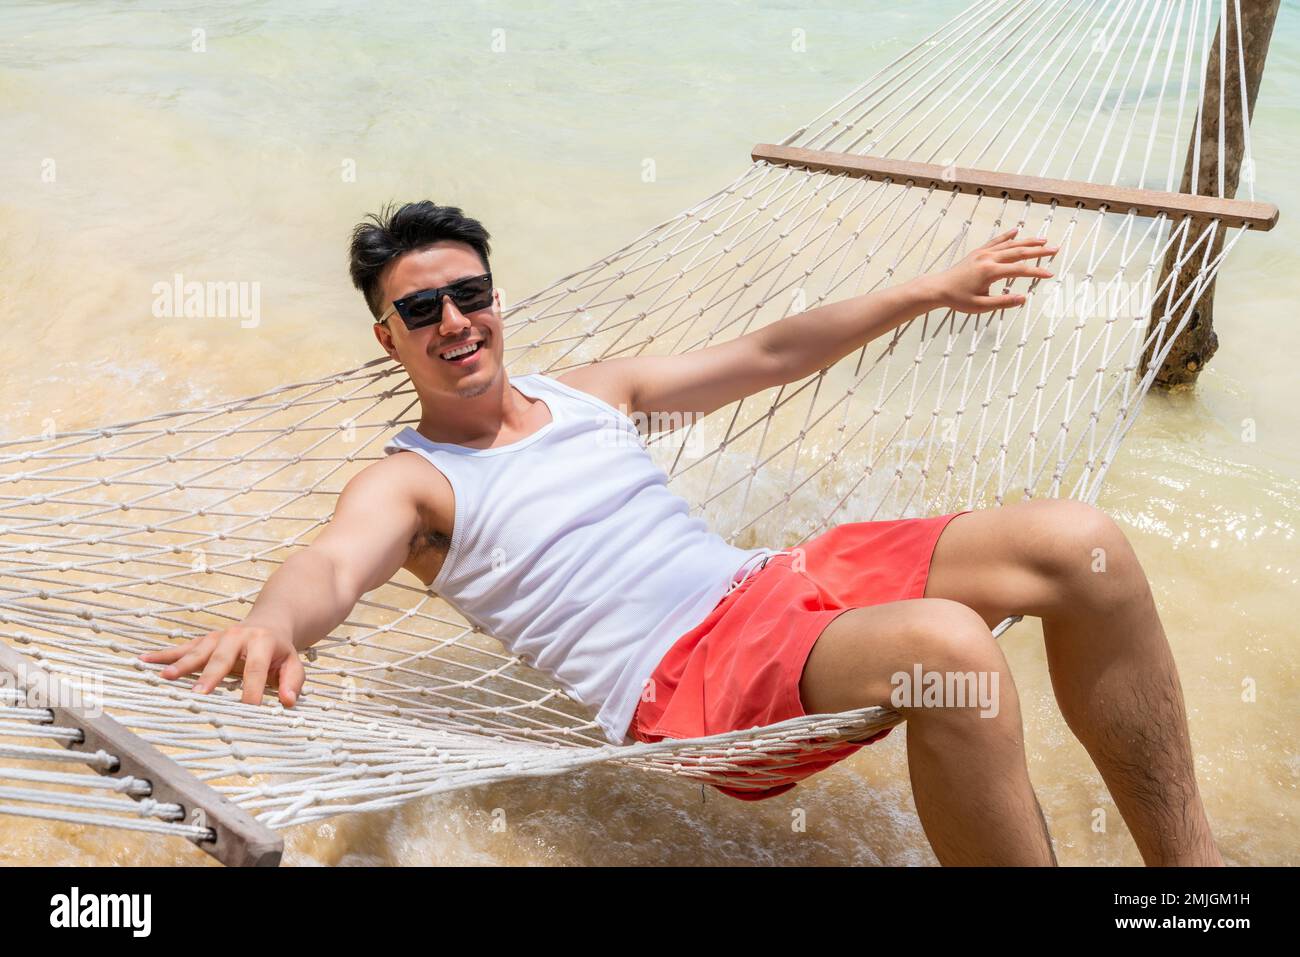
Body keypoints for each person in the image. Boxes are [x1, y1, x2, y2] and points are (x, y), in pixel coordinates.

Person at [141, 201, 1223, 866]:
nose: (454, 323)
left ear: (498, 298)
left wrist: (927, 290)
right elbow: (332, 561)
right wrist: (270, 623)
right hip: (692, 683)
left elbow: (767, 354)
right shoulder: (419, 486)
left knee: (1083, 546)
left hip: (772, 591)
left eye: (467, 294)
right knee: (949, 646)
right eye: (420, 312)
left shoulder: (593, 395)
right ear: (388, 338)